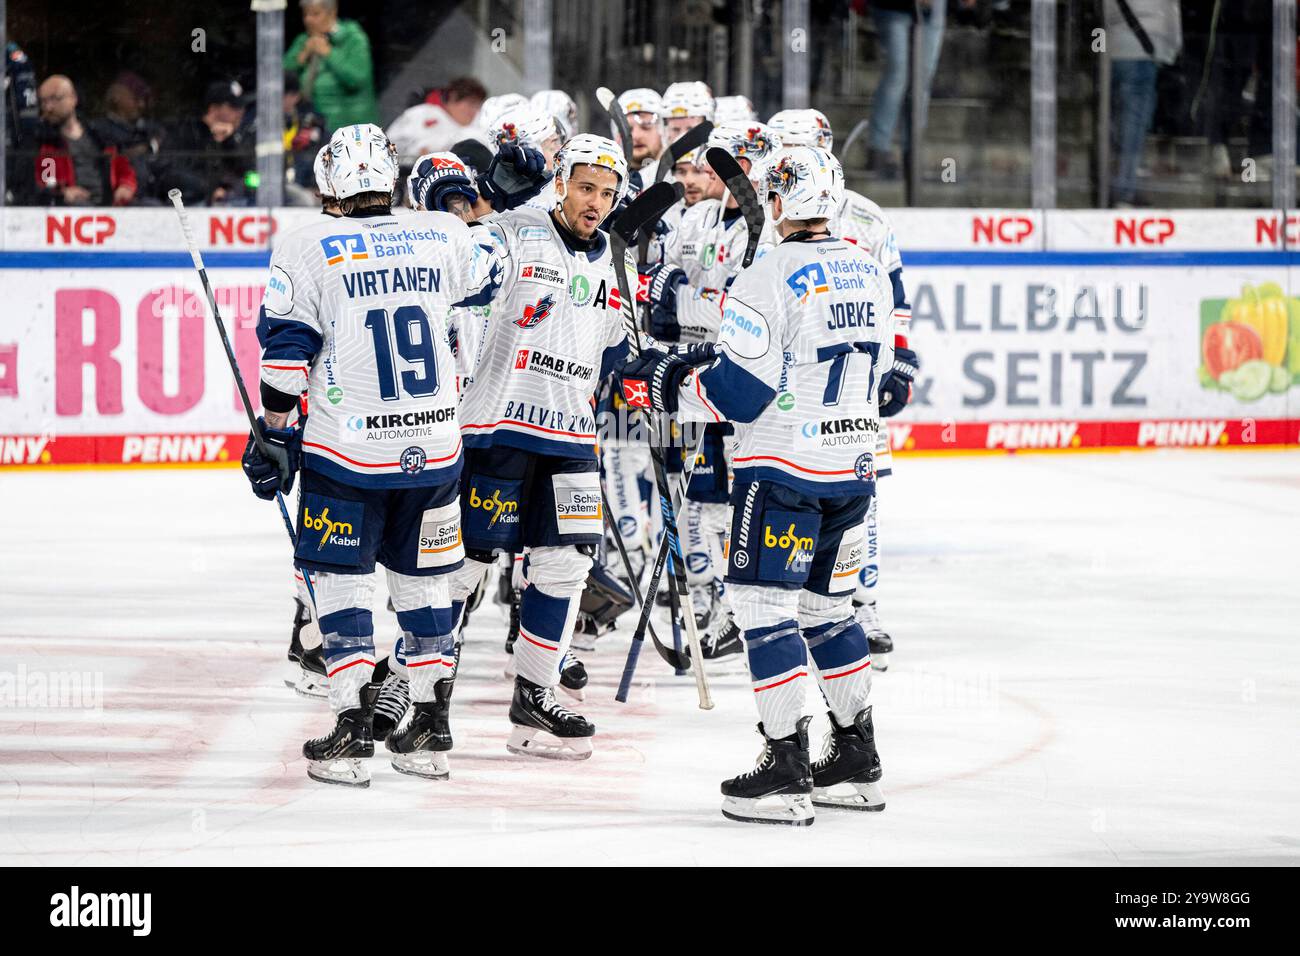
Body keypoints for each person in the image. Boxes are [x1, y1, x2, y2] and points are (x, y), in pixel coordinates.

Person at [616, 145, 894, 825]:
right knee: (830, 612)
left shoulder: (768, 274)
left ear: (774, 204)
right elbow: (877, 373)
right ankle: (856, 757)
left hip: (783, 472)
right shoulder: (870, 272)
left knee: (763, 610)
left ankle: (785, 765)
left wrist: (665, 381)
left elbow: (740, 395)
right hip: (853, 469)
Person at [243, 123, 501, 787]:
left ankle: (353, 729)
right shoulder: (442, 233)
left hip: (348, 455)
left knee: (341, 583)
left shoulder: (307, 245)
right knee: (426, 588)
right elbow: (492, 273)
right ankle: (428, 728)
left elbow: (284, 363)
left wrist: (273, 431)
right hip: (437, 449)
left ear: (330, 180)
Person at [438, 133, 635, 760]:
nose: (595, 202)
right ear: (560, 184)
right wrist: (494, 203)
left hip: (572, 435)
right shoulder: (516, 229)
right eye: (584, 188)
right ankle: (426, 692)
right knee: (468, 567)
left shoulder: (613, 258)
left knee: (568, 565)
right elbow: (465, 279)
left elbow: (613, 351)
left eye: (607, 193)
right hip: (499, 427)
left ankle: (535, 696)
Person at [769, 108, 917, 670]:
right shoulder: (770, 212)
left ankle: (863, 605)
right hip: (792, 380)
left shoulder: (869, 219)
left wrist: (898, 361)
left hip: (854, 377)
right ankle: (788, 602)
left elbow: (895, 296)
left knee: (863, 489)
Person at [640, 123, 781, 659]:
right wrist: (665, 298)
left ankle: (733, 609)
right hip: (691, 372)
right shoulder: (697, 217)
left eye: (723, 163)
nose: (708, 172)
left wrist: (680, 296)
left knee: (730, 501)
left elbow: (737, 314)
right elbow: (659, 281)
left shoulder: (764, 231)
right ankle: (705, 600)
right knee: (695, 498)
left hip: (736, 376)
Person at [866, 0, 973, 178]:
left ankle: (913, 149)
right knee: (897, 74)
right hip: (893, 9)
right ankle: (878, 148)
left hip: (933, 10)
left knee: (921, 81)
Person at [1104, 0, 1182, 205]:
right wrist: (1173, 46)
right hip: (1145, 43)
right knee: (1134, 124)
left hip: (1115, 43)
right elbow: (1169, 8)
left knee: (1117, 120)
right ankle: (1124, 189)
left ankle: (1114, 185)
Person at [33, 75, 137, 206]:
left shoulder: (100, 137)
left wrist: (125, 186)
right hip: (74, 210)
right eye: (43, 101)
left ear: (73, 98)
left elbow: (124, 169)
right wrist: (63, 193)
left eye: (55, 99)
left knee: (149, 206)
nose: (48, 107)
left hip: (112, 206)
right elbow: (46, 182)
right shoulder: (46, 143)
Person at [283, 0, 379, 132]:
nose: (308, 20)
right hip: (313, 126)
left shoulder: (353, 37)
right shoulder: (303, 40)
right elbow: (283, 77)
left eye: (315, 14)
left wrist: (328, 53)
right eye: (305, 15)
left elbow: (358, 78)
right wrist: (303, 56)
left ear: (332, 13)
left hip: (352, 127)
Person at [154, 80, 254, 206]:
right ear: (214, 108)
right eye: (233, 107)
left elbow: (247, 171)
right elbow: (169, 173)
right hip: (186, 206)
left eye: (241, 107)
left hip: (223, 206)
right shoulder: (185, 131)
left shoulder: (232, 137)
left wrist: (229, 141)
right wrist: (209, 190)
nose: (240, 112)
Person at [89, 72, 162, 203]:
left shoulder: (149, 128)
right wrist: (145, 148)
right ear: (117, 97)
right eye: (135, 99)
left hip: (154, 190)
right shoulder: (99, 129)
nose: (141, 105)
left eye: (143, 100)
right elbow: (117, 157)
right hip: (118, 196)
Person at [386, 76, 487, 165]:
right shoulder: (422, 113)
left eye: (478, 105)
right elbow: (390, 146)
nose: (474, 111)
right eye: (471, 104)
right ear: (453, 97)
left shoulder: (480, 125)